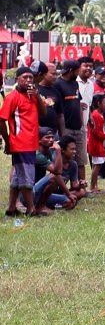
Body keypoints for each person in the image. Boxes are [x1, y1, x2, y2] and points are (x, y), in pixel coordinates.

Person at [1, 67, 47, 216]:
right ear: (17, 80)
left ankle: (11, 208)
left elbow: (43, 112)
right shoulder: (12, 97)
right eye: (24, 77)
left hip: (31, 142)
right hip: (20, 143)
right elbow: (2, 121)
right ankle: (31, 209)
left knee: (18, 177)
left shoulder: (33, 95)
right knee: (27, 177)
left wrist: (37, 96)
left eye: (30, 77)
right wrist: (8, 142)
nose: (28, 80)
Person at [55, 60, 85, 184]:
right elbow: (58, 109)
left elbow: (78, 103)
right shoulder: (58, 84)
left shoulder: (75, 84)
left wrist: (82, 123)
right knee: (65, 159)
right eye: (77, 71)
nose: (79, 73)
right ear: (71, 71)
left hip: (78, 127)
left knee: (81, 159)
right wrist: (62, 131)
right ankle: (60, 186)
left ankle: (81, 185)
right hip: (66, 128)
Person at [87, 94, 105, 194]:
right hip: (95, 144)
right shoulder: (96, 115)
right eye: (104, 103)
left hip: (98, 143)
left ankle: (95, 186)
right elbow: (96, 131)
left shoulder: (98, 115)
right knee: (96, 166)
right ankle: (93, 187)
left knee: (97, 165)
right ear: (98, 103)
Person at [36, 62, 63, 136]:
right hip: (38, 133)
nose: (55, 77)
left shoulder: (56, 91)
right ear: (44, 74)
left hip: (53, 134)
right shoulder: (35, 89)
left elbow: (60, 115)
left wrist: (62, 134)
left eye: (56, 74)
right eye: (53, 74)